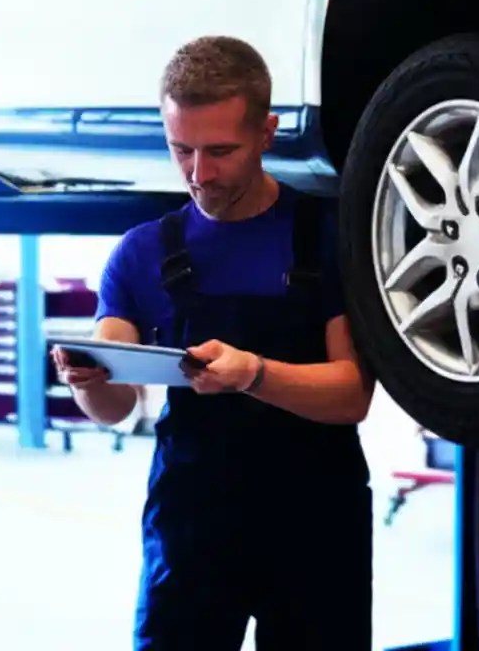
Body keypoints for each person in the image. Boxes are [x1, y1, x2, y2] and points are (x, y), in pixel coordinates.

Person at [51, 35, 375, 650]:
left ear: (267, 132)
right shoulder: (143, 251)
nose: (200, 174)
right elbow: (115, 406)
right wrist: (88, 379)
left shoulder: (327, 239)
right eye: (182, 150)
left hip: (314, 521)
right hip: (193, 520)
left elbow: (352, 394)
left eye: (221, 151)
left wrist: (253, 372)